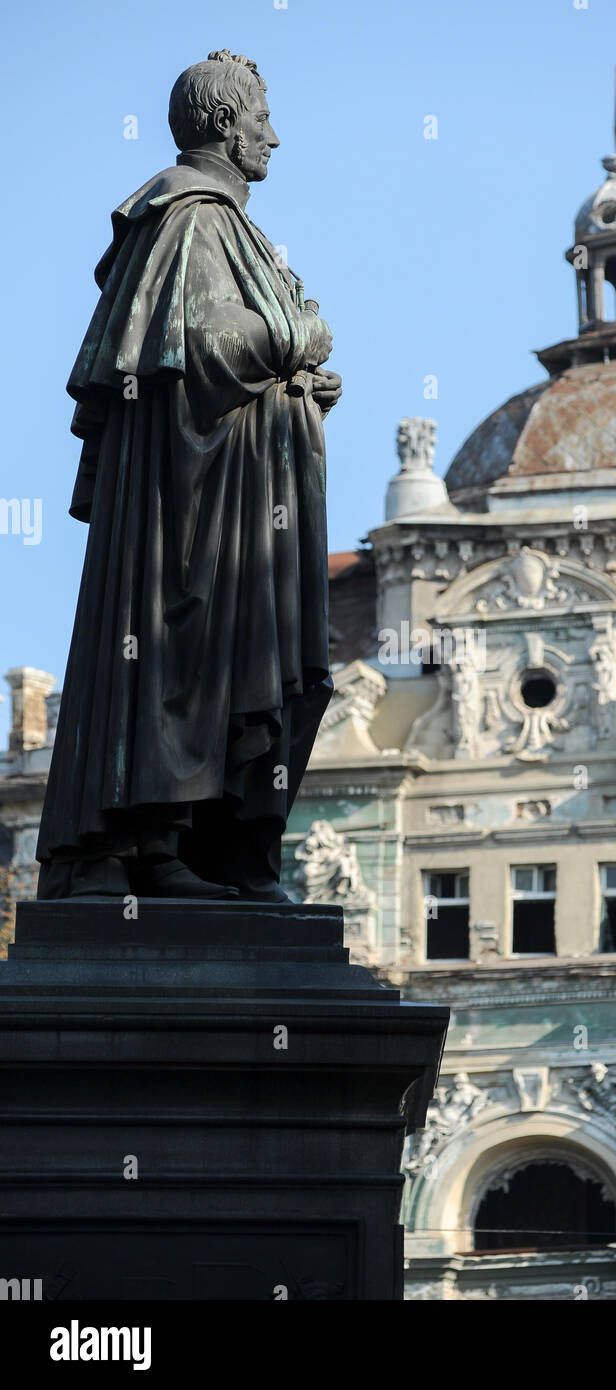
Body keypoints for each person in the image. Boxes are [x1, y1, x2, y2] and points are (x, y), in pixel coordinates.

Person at [36, 50, 342, 903]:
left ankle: (227, 851)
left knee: (259, 667)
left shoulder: (220, 225)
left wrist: (300, 385)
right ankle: (156, 845)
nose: (273, 138)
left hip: (246, 498)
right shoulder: (192, 220)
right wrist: (302, 338)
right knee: (191, 658)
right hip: (199, 509)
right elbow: (214, 347)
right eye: (261, 119)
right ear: (221, 124)